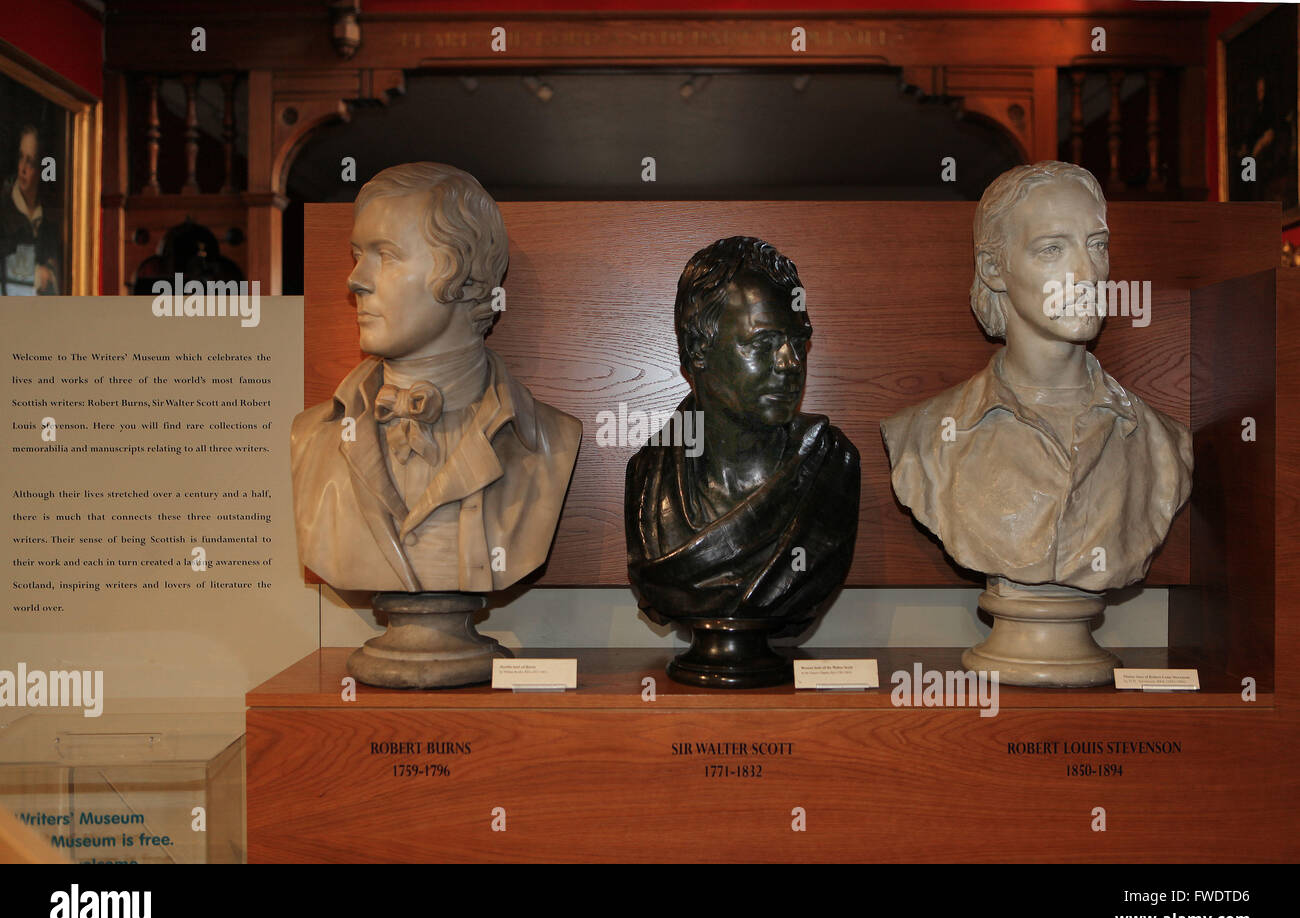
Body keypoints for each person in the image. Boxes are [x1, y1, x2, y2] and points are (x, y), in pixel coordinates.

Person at [881, 160, 1192, 592]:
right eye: (1052, 249)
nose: (1087, 275)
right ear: (993, 268)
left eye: (1097, 245)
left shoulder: (1162, 444)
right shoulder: (925, 438)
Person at [290, 162, 582, 593]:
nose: (355, 280)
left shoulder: (550, 440)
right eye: (357, 256)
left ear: (462, 275)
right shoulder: (311, 437)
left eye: (385, 255)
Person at [626, 236, 859, 625]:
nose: (791, 363)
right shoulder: (648, 482)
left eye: (798, 342)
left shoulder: (831, 468)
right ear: (698, 349)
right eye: (763, 342)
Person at [0, 124, 60, 295]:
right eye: (21, 158)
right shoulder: (4, 212)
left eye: (31, 162)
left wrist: (51, 275)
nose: (23, 168)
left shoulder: (49, 223)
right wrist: (34, 276)